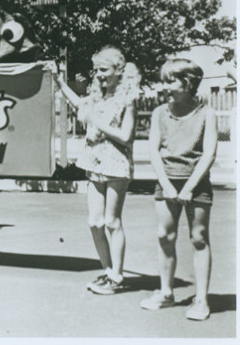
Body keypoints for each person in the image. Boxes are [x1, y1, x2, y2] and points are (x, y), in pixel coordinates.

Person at [53, 46, 140, 294]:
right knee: (94, 222)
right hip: (93, 162)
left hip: (116, 165)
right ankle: (108, 271)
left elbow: (127, 136)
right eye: (97, 71)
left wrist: (97, 121)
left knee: (112, 222)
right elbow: (77, 103)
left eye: (104, 70)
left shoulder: (127, 100)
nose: (100, 75)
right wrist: (59, 81)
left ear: (118, 71)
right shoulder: (95, 98)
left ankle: (118, 276)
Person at [139, 58, 217, 321]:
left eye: (170, 81)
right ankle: (166, 292)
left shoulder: (207, 113)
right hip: (167, 181)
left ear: (188, 83)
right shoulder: (160, 112)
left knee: (199, 238)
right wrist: (169, 185)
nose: (164, 86)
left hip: (197, 183)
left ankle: (201, 299)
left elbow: (208, 154)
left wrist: (189, 187)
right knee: (164, 235)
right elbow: (153, 151)